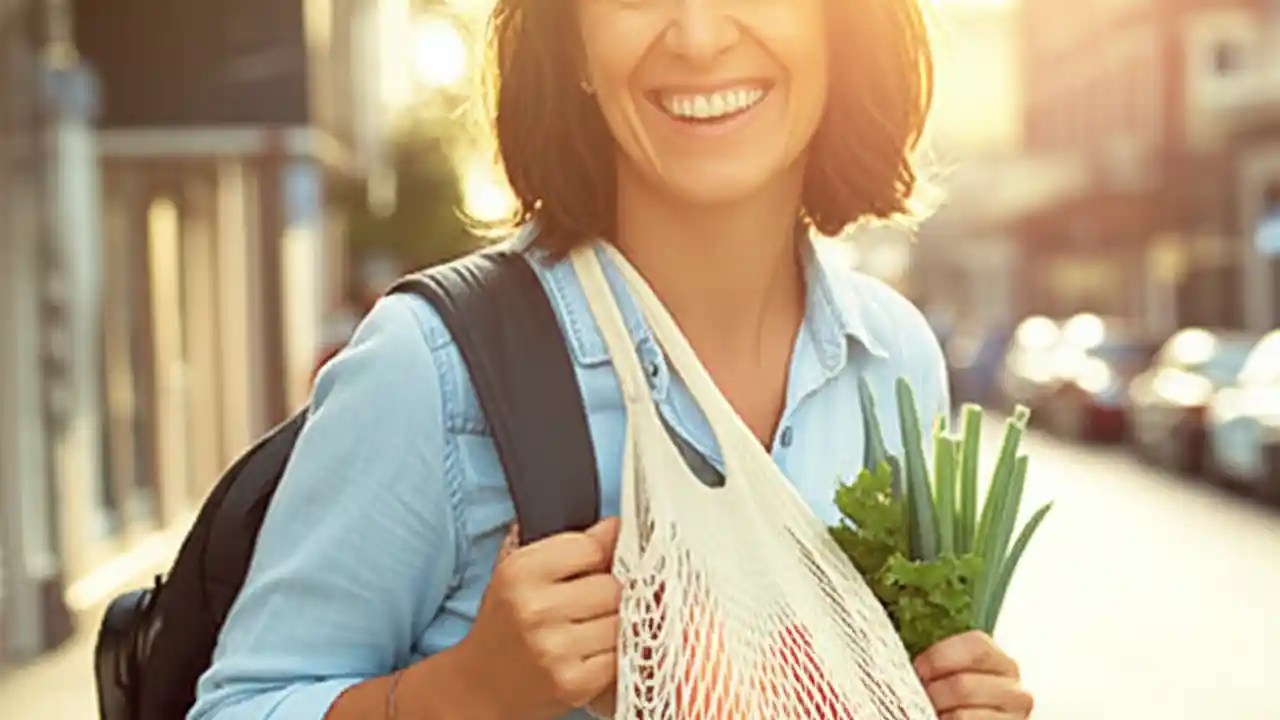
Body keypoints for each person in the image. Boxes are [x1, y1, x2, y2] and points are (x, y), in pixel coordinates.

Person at [190, 1, 1035, 718]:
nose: (699, 36)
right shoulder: (437, 367)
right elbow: (239, 704)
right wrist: (467, 691)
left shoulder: (889, 363)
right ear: (575, 44)